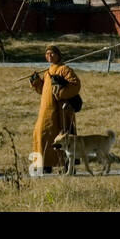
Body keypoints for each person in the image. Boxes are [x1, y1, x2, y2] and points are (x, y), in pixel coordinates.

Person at [30, 44, 80, 172]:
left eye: (52, 53)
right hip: (46, 110)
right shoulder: (47, 73)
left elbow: (75, 85)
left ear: (58, 55)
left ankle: (67, 166)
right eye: (47, 54)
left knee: (63, 137)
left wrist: (60, 92)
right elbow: (44, 90)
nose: (49, 56)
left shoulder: (64, 70)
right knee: (41, 134)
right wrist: (36, 82)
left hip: (61, 111)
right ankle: (45, 165)